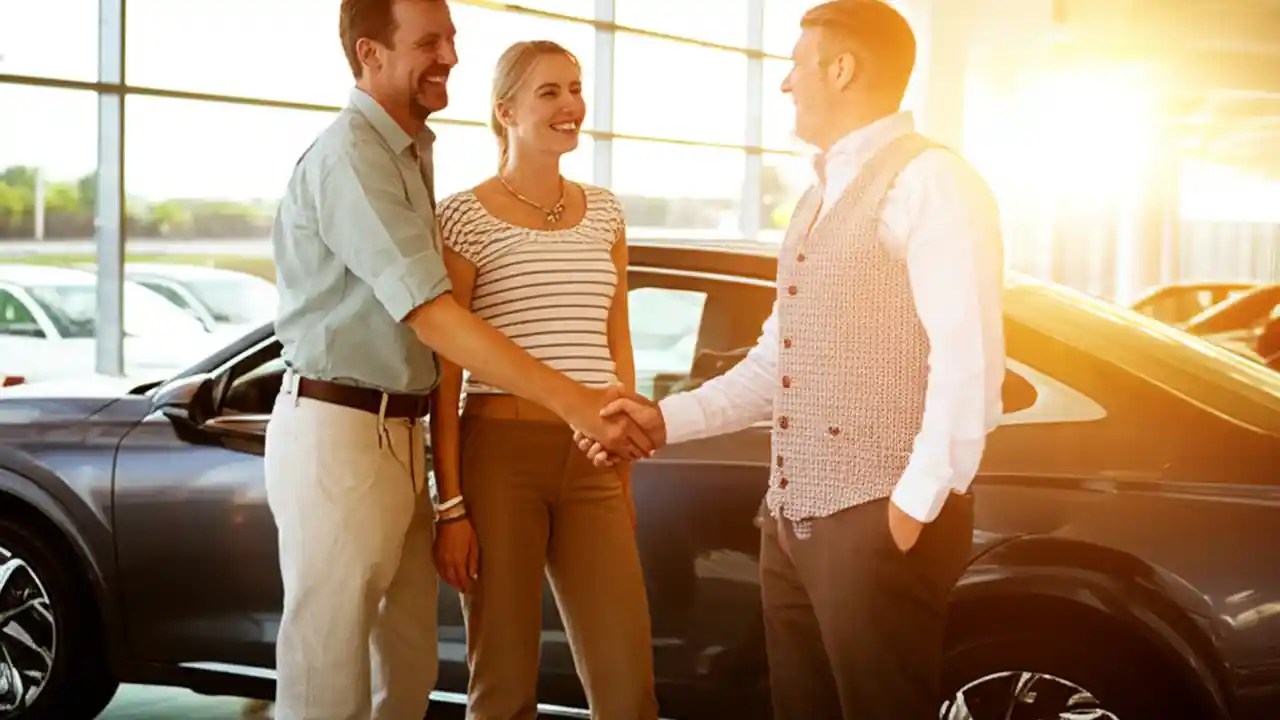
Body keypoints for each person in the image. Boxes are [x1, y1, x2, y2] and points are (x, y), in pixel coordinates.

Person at [578, 1, 1006, 718]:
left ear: (842, 69)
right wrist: (664, 420)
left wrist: (911, 507)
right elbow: (777, 361)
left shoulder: (932, 181)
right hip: (789, 521)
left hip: (877, 523)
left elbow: (970, 364)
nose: (784, 84)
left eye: (796, 65)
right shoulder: (817, 196)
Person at [264, 2, 653, 719]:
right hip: (347, 429)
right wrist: (573, 404)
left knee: (404, 668)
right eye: (429, 41)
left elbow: (602, 338)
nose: (449, 55)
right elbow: (435, 319)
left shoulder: (410, 152)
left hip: (401, 432)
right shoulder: (356, 158)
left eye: (451, 38)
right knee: (330, 676)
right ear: (371, 53)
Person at [429, 40, 659, 720]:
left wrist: (623, 471)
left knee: (628, 687)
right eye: (550, 92)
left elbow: (618, 345)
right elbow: (445, 375)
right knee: (502, 686)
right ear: (506, 112)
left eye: (576, 88)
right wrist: (451, 505)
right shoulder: (462, 216)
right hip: (499, 457)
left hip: (594, 459)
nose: (571, 105)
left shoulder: (607, 212)